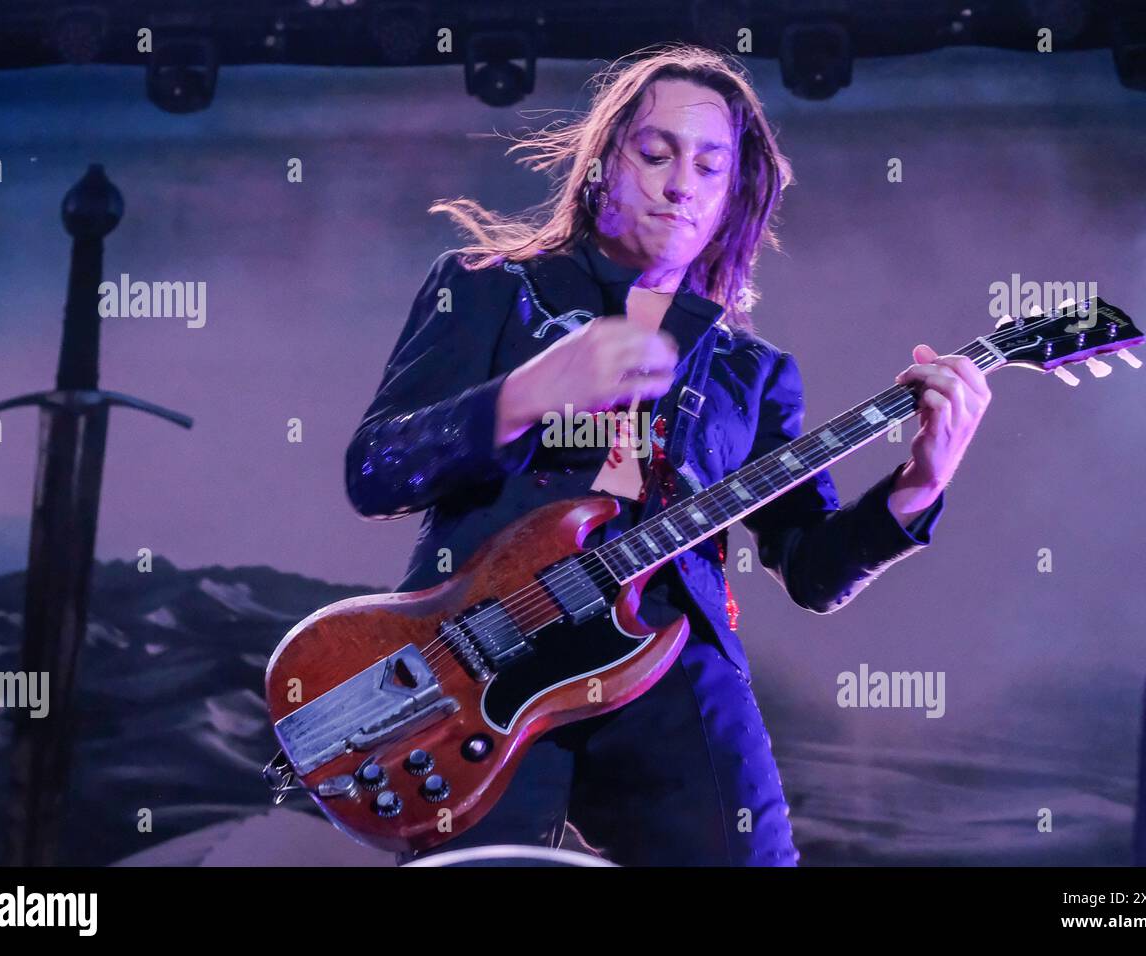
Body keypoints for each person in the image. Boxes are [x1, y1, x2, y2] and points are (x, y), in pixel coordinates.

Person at [345, 43, 991, 866]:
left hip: (667, 662)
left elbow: (812, 568)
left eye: (710, 167)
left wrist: (921, 482)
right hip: (484, 653)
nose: (681, 182)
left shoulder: (748, 370)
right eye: (655, 154)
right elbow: (374, 471)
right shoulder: (488, 289)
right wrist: (523, 395)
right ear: (602, 166)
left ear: (731, 199)